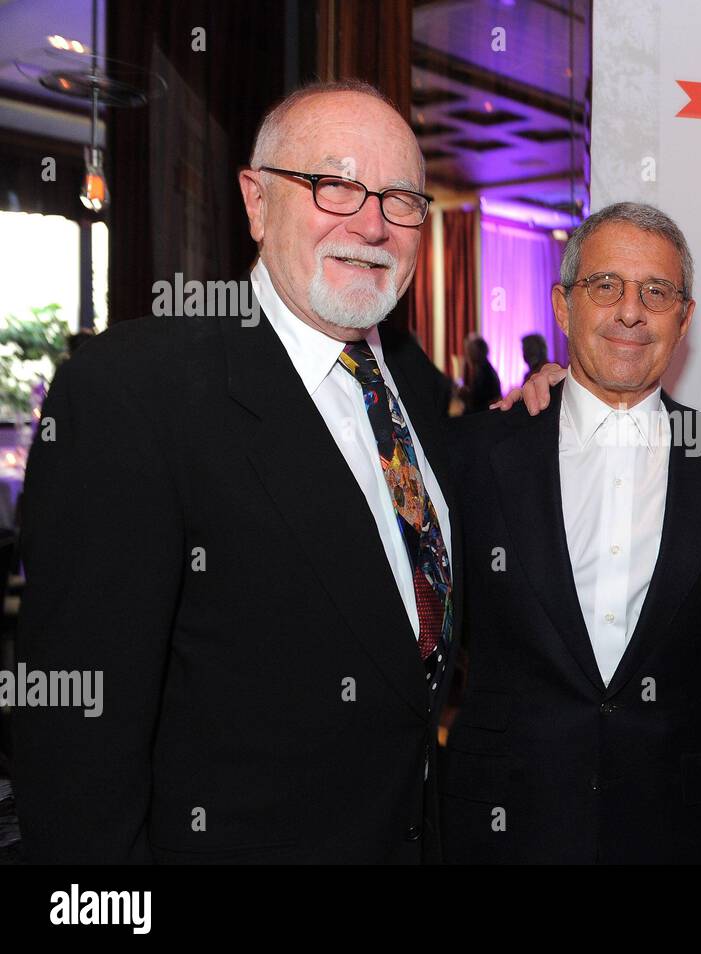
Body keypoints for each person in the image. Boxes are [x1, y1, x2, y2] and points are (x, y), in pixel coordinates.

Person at [15, 80, 461, 863]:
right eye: (335, 184)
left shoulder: (419, 392)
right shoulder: (138, 392)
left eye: (400, 199)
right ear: (256, 201)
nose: (371, 222)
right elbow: (77, 745)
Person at [440, 202, 701, 863]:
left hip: (678, 829)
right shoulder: (474, 454)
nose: (630, 310)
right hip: (506, 826)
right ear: (564, 305)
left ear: (684, 319)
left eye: (657, 291)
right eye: (605, 285)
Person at [457, 332, 502, 414]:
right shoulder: (485, 369)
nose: (467, 356)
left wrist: (466, 396)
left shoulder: (485, 374)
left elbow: (480, 403)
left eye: (469, 352)